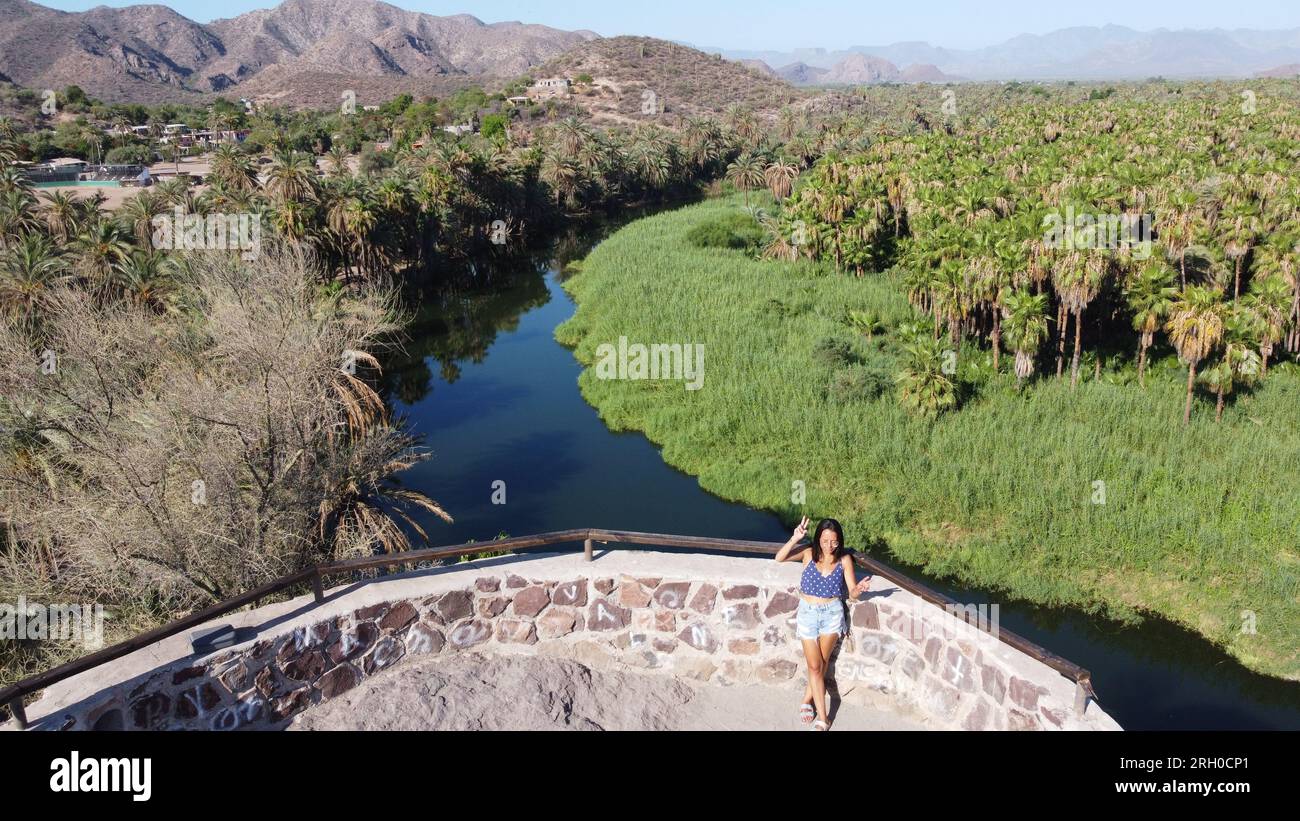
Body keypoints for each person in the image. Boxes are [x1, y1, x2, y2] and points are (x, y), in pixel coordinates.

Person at [774, 516, 871, 730]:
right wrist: (794, 538)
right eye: (825, 540)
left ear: (840, 541)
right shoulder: (808, 554)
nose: (829, 546)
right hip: (808, 613)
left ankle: (811, 706)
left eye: (834, 541)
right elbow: (779, 558)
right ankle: (823, 717)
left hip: (832, 614)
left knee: (821, 663)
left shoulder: (844, 560)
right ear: (818, 538)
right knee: (815, 665)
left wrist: (859, 590)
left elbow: (852, 593)